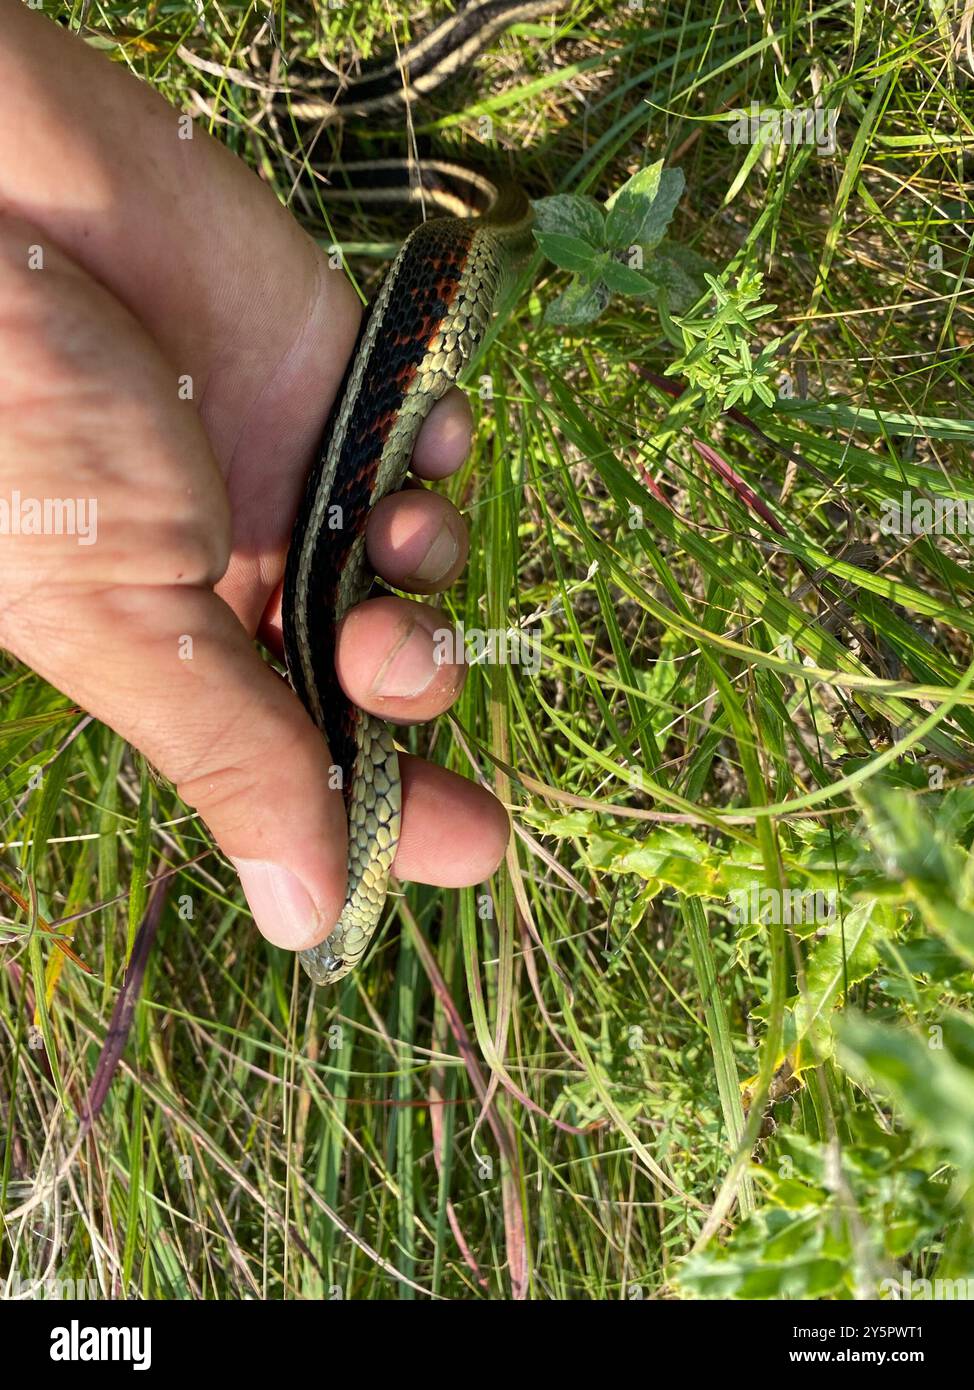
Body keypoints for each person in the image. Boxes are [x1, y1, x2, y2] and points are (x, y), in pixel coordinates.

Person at [0, 2, 509, 957]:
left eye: (348, 929)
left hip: (425, 297)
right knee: (386, 606)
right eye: (340, 932)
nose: (333, 930)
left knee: (494, 251)